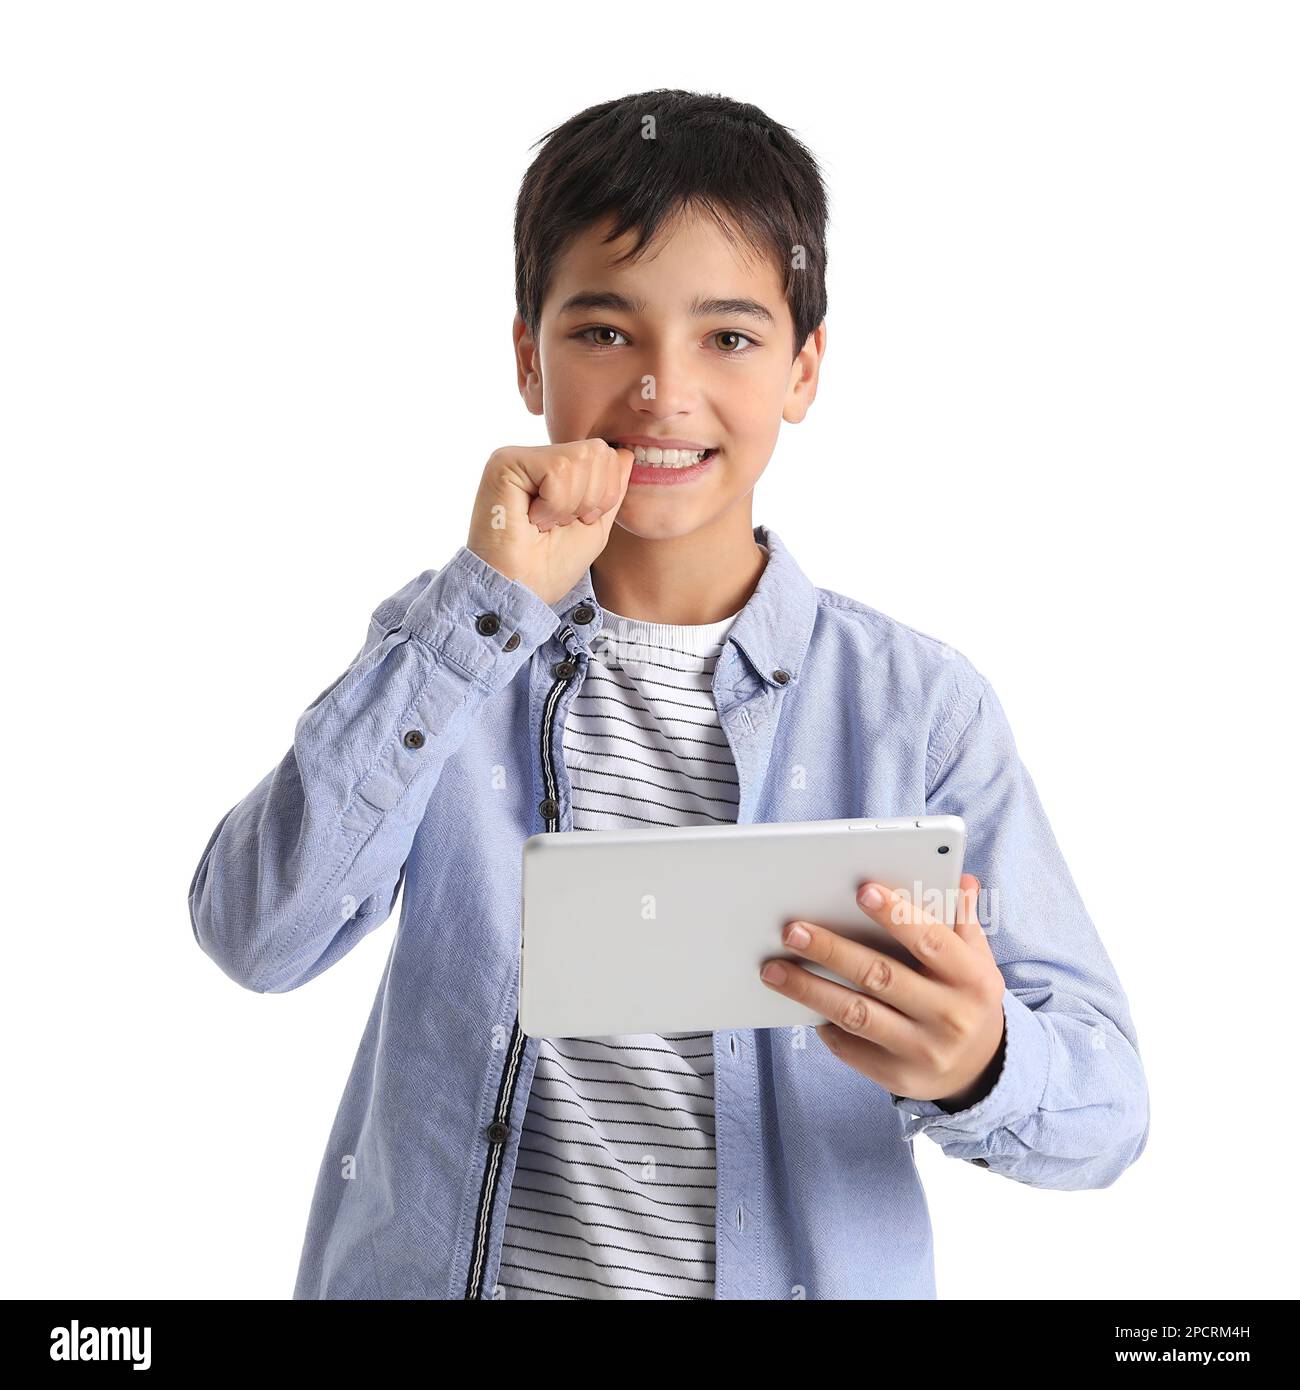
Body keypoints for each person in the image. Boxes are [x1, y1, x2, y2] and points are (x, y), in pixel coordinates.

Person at [187, 89, 1150, 1301]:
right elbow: (255, 931)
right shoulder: (449, 652)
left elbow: (1107, 1108)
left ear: (804, 369)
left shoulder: (918, 707)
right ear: (526, 354)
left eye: (729, 338)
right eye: (603, 332)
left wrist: (982, 1060)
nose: (660, 389)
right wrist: (484, 604)